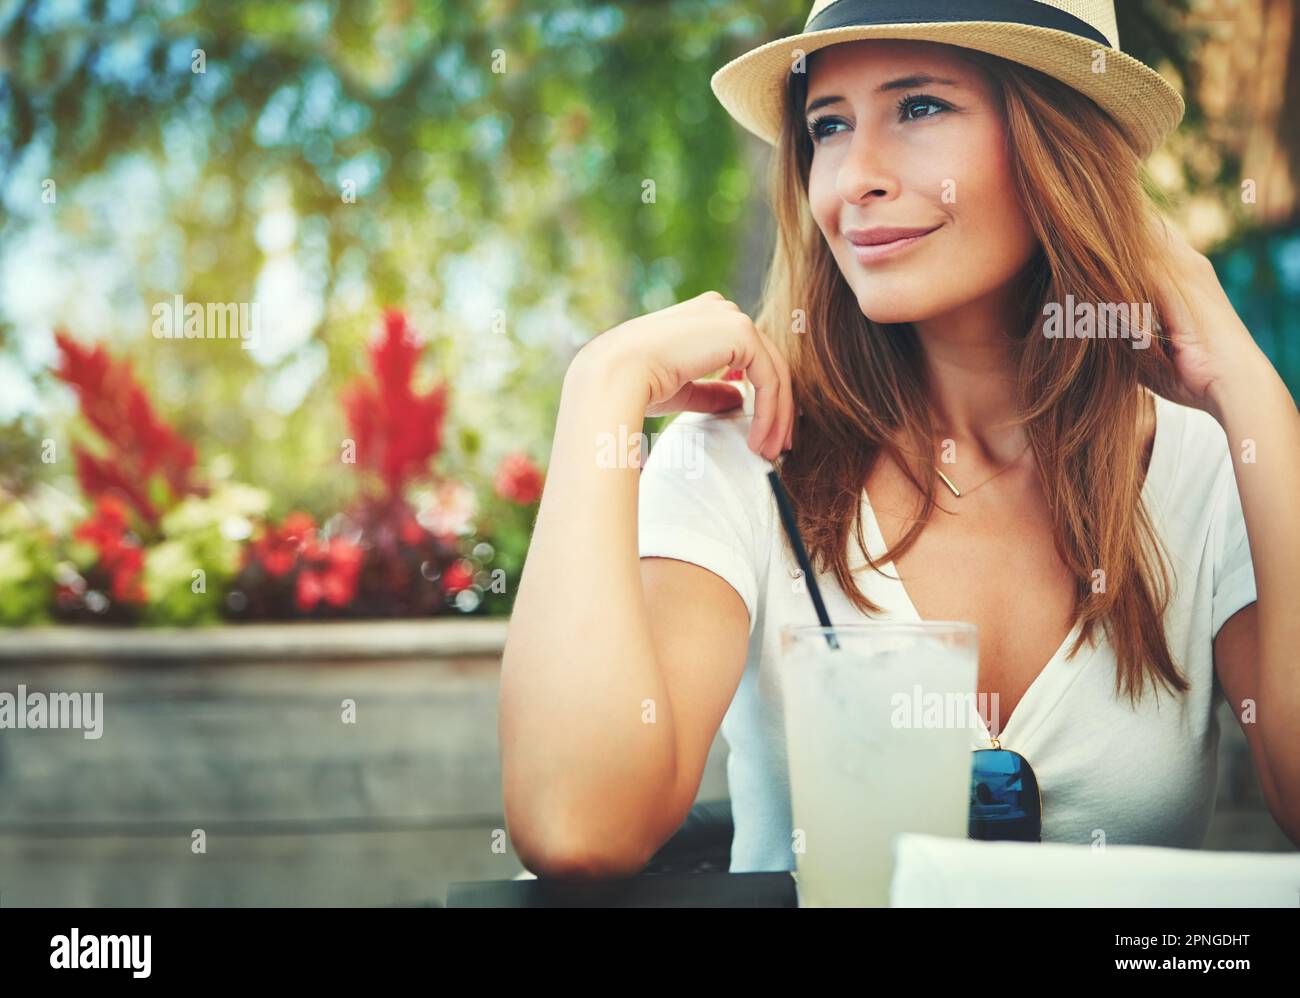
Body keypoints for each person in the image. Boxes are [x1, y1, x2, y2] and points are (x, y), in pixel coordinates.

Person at [499, 0, 1300, 877]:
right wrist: (600, 389)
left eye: (918, 107)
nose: (852, 180)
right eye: (828, 127)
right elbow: (576, 826)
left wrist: (1253, 395)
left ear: (1057, 142)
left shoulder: (1208, 468)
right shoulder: (737, 460)